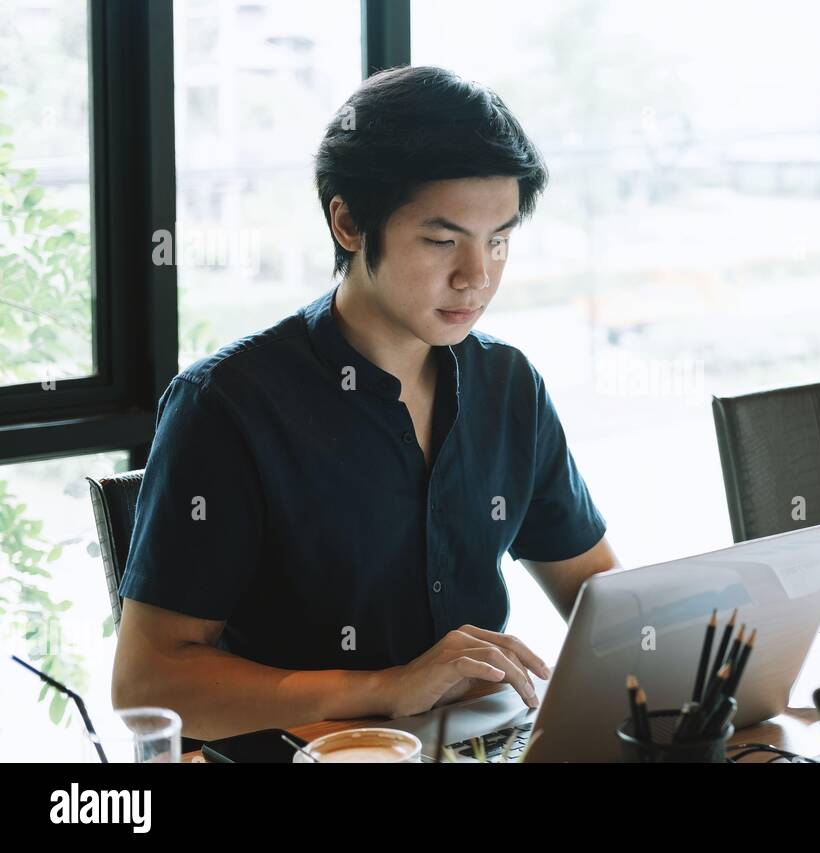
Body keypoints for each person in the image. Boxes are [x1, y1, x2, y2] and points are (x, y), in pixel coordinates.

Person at [112, 66, 618, 741]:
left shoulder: (508, 384)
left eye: (498, 240)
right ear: (348, 221)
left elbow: (599, 595)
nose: (477, 276)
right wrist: (386, 689)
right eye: (442, 241)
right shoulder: (227, 406)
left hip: (479, 746)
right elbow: (147, 683)